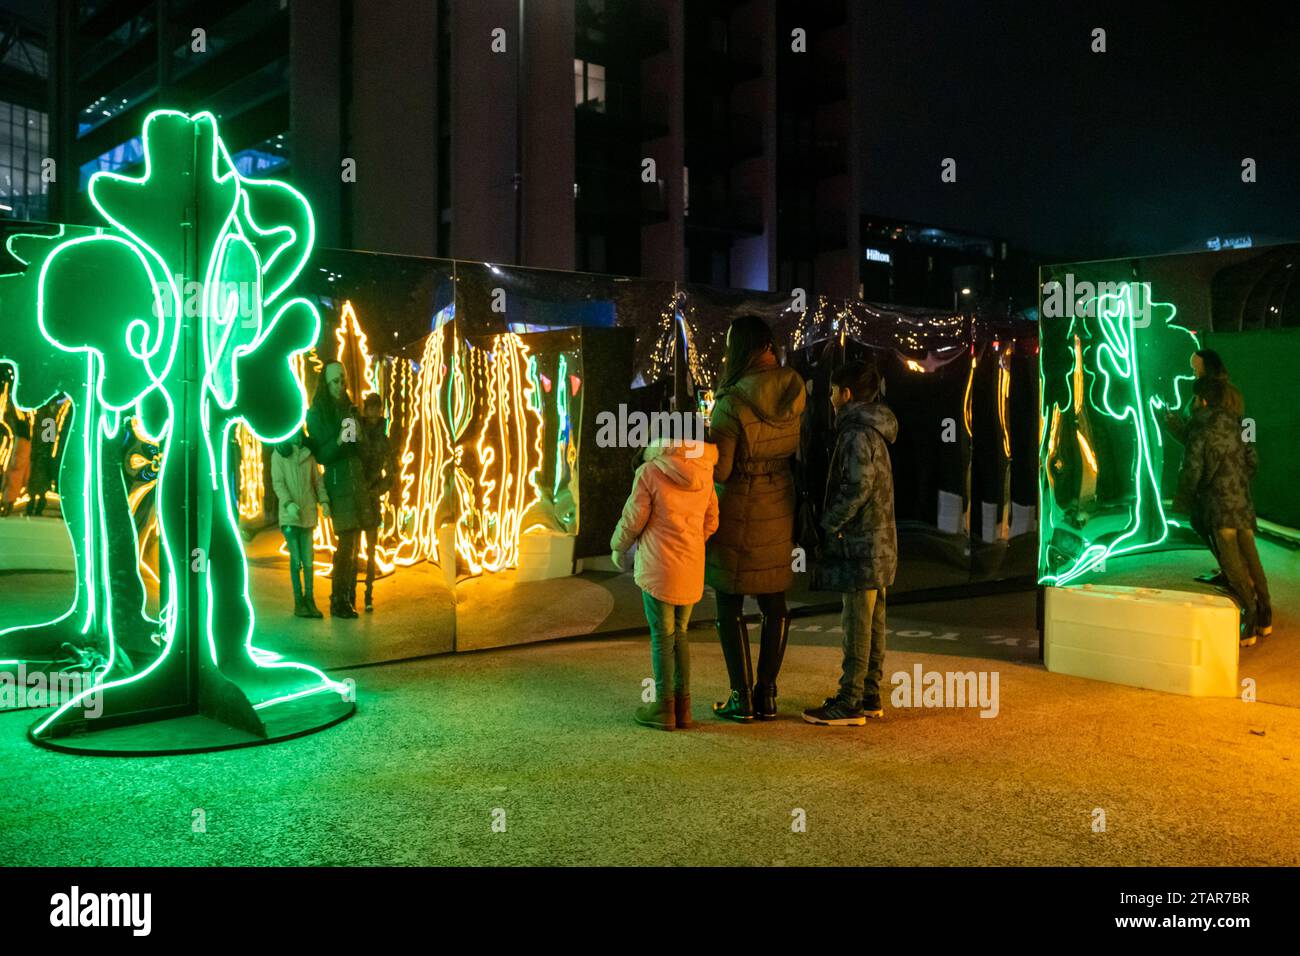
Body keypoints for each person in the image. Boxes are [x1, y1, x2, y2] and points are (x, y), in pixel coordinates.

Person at [706, 314, 806, 721]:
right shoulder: (792, 391)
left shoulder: (730, 403)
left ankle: (741, 697)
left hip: (738, 509)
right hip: (779, 502)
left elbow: (723, 470)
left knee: (729, 601)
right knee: (773, 598)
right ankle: (767, 694)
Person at [803, 359, 899, 726]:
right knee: (873, 623)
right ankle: (870, 695)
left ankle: (849, 701)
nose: (828, 399)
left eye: (831, 392)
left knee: (856, 624)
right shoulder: (874, 430)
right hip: (880, 543)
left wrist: (829, 524)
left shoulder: (856, 434)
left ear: (845, 394)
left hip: (860, 545)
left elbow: (858, 486)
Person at [610, 438, 720, 730]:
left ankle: (663, 707)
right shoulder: (705, 470)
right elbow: (712, 521)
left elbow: (634, 518)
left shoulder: (650, 472)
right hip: (691, 564)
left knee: (662, 636)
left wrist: (617, 546)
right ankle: (683, 708)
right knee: (680, 634)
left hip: (659, 566)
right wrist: (691, 543)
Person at [1172, 376, 1271, 645]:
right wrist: (1236, 480)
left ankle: (1249, 620)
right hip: (1242, 501)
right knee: (1252, 559)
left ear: (1202, 400)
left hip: (1218, 504)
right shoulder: (1238, 422)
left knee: (1232, 565)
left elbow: (1192, 470)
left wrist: (1185, 497)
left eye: (1194, 398)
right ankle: (1266, 616)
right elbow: (1252, 459)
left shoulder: (1199, 427)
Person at [305, 362, 372, 619]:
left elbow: (361, 448)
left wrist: (358, 435)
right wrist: (339, 440)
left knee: (355, 544)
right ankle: (338, 600)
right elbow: (322, 455)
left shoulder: (349, 409)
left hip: (356, 481)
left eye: (342, 379)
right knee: (346, 543)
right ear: (325, 383)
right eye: (335, 380)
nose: (340, 384)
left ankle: (348, 597)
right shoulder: (317, 414)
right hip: (338, 483)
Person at [270, 429, 329, 618]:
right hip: (290, 516)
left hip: (308, 513)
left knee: (309, 561)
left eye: (299, 434)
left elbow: (317, 482)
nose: (296, 437)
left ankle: (310, 599)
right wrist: (287, 503)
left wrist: (324, 501)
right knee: (296, 560)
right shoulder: (279, 454)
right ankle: (299, 602)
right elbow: (278, 483)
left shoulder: (308, 456)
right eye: (293, 434)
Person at [357, 393, 395, 613]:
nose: (373, 412)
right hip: (356, 496)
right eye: (370, 408)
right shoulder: (356, 428)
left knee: (371, 550)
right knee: (352, 548)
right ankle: (350, 593)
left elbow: (391, 473)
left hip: (370, 498)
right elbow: (347, 452)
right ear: (365, 409)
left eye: (376, 408)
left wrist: (377, 491)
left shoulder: (383, 438)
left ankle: (368, 594)